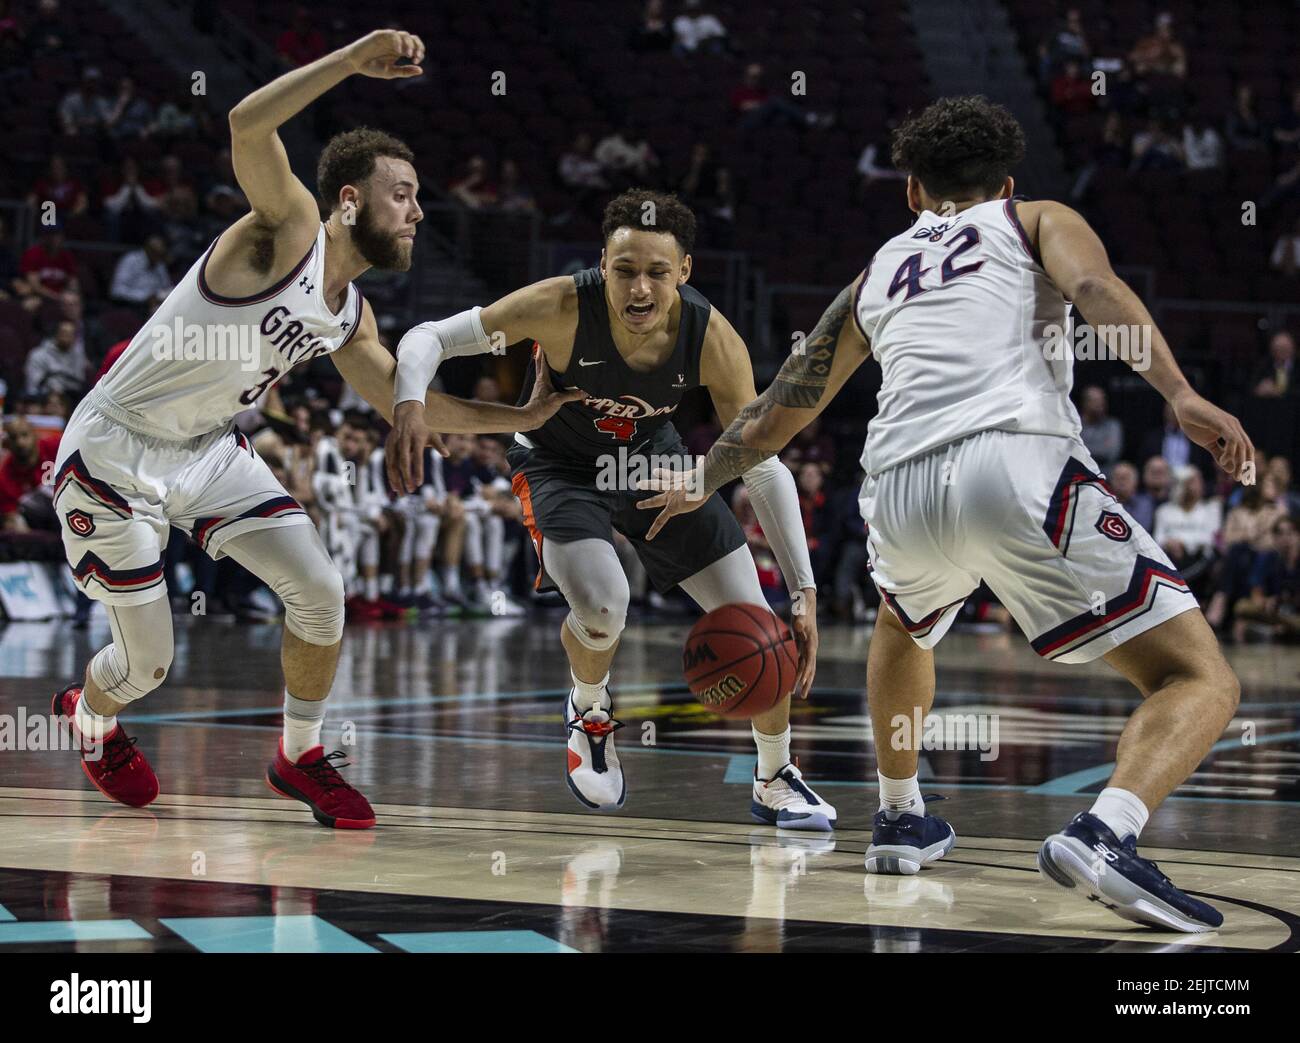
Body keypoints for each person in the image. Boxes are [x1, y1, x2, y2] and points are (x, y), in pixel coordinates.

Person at [640, 96, 1253, 932]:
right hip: (1014, 459)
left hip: (897, 483)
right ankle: (1109, 831)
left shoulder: (881, 266)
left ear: (911, 191)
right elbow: (1097, 287)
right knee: (1200, 677)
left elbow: (792, 397)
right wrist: (1179, 393)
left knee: (903, 624)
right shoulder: (1034, 215)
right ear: (1004, 180)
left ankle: (898, 815)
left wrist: (708, 472)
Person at [47, 29, 581, 830]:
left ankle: (298, 756)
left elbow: (412, 403)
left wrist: (523, 418)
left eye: (418, 195)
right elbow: (245, 126)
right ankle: (89, 715)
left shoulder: (350, 314)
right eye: (402, 193)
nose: (418, 210)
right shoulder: (287, 229)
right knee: (147, 663)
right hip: (114, 453)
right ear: (350, 201)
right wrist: (349, 61)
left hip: (205, 451)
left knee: (321, 591)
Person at [387, 189, 830, 829]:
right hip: (558, 465)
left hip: (653, 461)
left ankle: (774, 776)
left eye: (656, 271)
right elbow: (427, 338)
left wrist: (804, 591)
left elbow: (759, 459)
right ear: (602, 264)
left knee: (760, 629)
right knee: (602, 605)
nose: (639, 289)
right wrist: (409, 403)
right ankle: (590, 708)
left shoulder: (712, 340)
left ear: (684, 272)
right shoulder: (561, 304)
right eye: (624, 271)